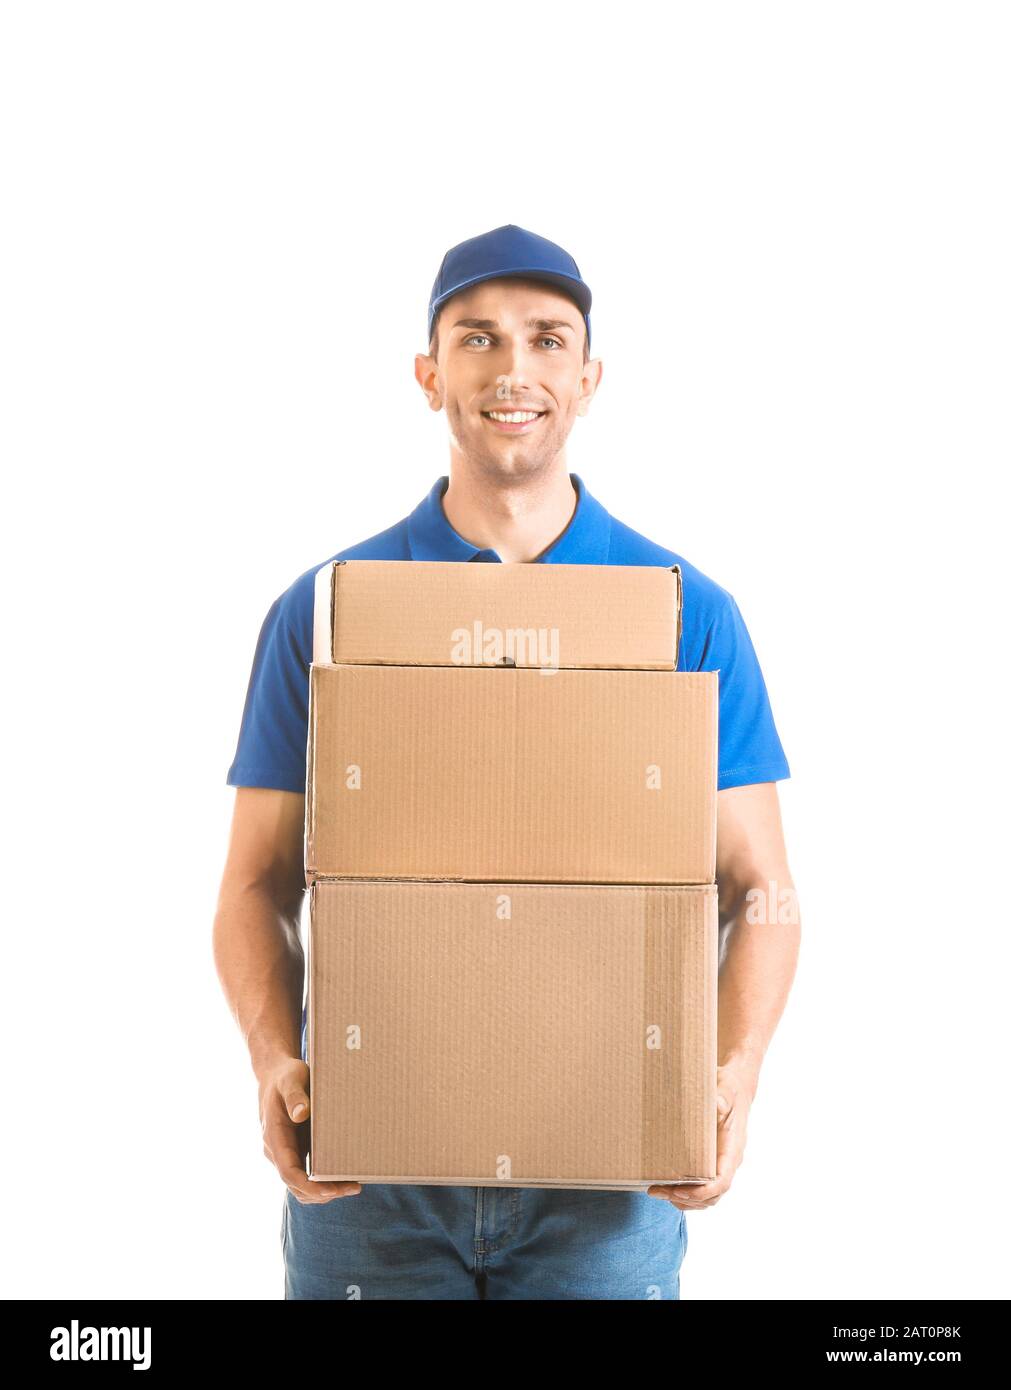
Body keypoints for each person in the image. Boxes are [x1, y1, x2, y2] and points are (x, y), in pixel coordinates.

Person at [213, 224, 801, 1301]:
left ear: (590, 375)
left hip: (609, 1183)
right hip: (373, 1181)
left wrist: (733, 1073)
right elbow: (253, 881)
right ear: (430, 372)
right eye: (478, 339)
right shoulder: (331, 610)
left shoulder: (684, 612)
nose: (514, 369)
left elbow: (761, 889)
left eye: (546, 339)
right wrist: (272, 1061)